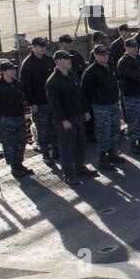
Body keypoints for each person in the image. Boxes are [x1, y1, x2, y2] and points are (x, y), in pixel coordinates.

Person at [44, 49, 93, 186]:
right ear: (58, 62)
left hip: (78, 115)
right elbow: (55, 104)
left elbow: (80, 94)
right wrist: (63, 120)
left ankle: (79, 168)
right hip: (67, 120)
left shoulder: (72, 75)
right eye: (66, 59)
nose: (69, 60)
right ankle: (68, 174)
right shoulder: (53, 82)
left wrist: (85, 110)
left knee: (80, 144)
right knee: (67, 147)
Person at [0, 60, 33, 178]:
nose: (13, 71)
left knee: (21, 142)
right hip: (6, 120)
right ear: (3, 72)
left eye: (13, 69)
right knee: (10, 144)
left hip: (18, 117)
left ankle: (19, 164)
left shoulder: (17, 84)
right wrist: (1, 115)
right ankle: (14, 166)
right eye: (10, 69)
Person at [80, 44, 124, 169]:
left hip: (113, 103)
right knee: (104, 132)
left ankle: (111, 153)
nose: (105, 57)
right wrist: (87, 109)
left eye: (106, 54)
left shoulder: (108, 67)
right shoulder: (90, 71)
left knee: (115, 129)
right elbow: (84, 92)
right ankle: (102, 159)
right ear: (95, 56)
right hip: (101, 106)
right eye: (102, 55)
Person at [20, 37, 57, 160]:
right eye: (41, 46)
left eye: (44, 46)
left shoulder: (49, 61)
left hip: (51, 100)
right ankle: (46, 154)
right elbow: (25, 86)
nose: (43, 49)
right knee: (42, 130)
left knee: (54, 128)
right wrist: (31, 103)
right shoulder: (28, 64)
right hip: (39, 103)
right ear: (34, 47)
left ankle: (56, 151)